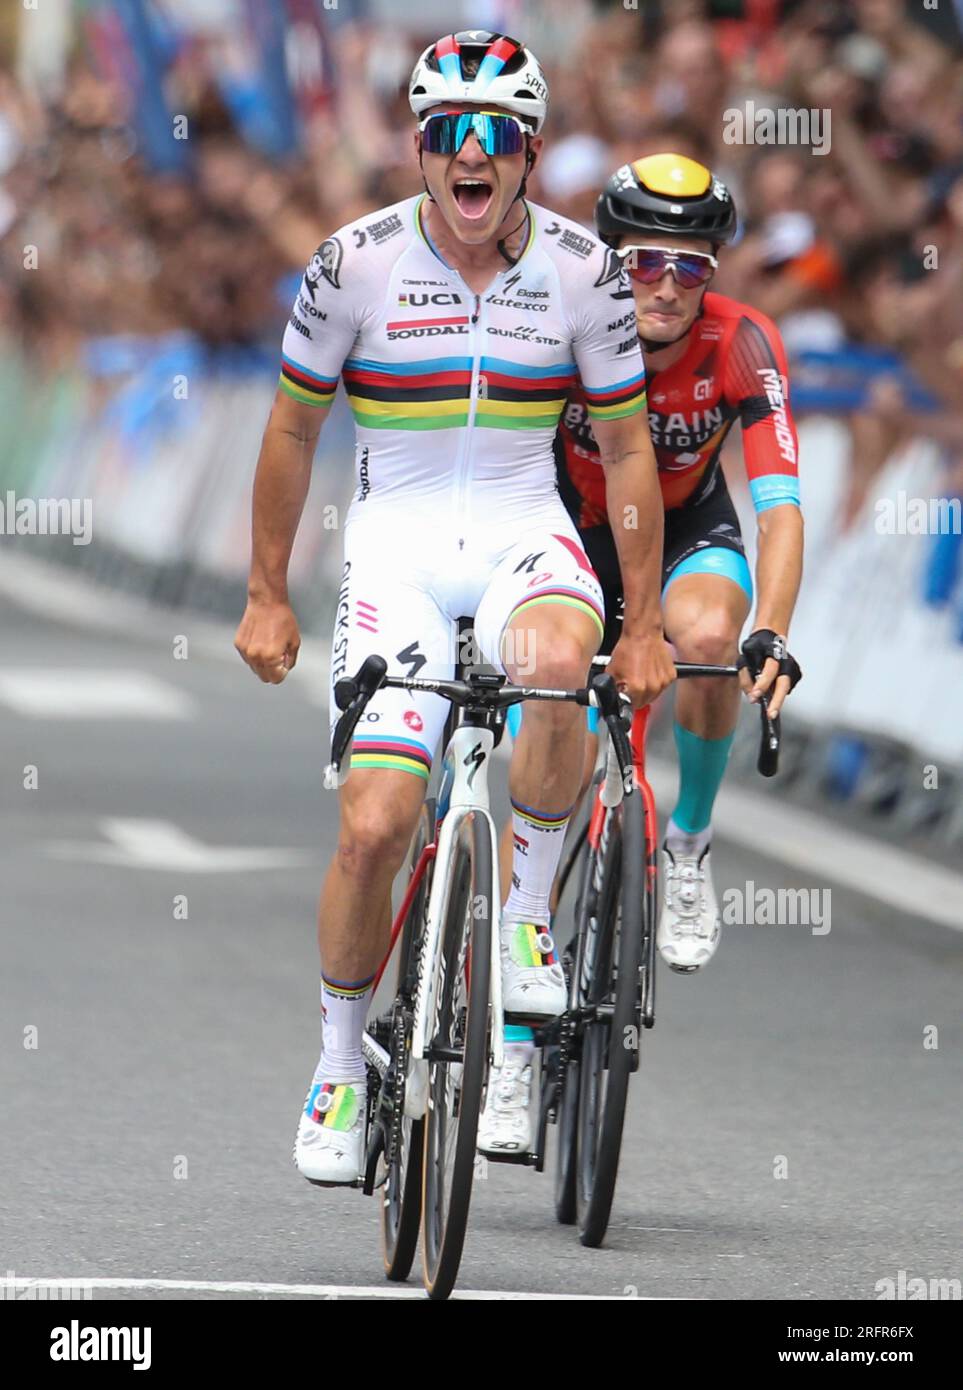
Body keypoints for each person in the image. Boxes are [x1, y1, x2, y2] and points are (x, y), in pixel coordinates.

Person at [234, 32, 675, 1177]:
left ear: (528, 153)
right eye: (447, 134)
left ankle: (524, 913)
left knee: (547, 666)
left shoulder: (586, 272)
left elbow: (627, 451)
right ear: (420, 150)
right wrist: (266, 592)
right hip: (396, 553)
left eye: (496, 137)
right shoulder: (354, 263)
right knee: (376, 822)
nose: (470, 156)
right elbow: (291, 427)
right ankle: (338, 1065)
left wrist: (637, 625)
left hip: (529, 533)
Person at [503, 153, 804, 973]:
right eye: (642, 263)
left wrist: (769, 632)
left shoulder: (740, 341)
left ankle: (690, 842)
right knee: (546, 758)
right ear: (610, 261)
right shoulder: (560, 323)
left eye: (689, 268)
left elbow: (779, 509)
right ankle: (509, 1000)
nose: (665, 285)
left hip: (682, 533)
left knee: (709, 640)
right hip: (570, 533)